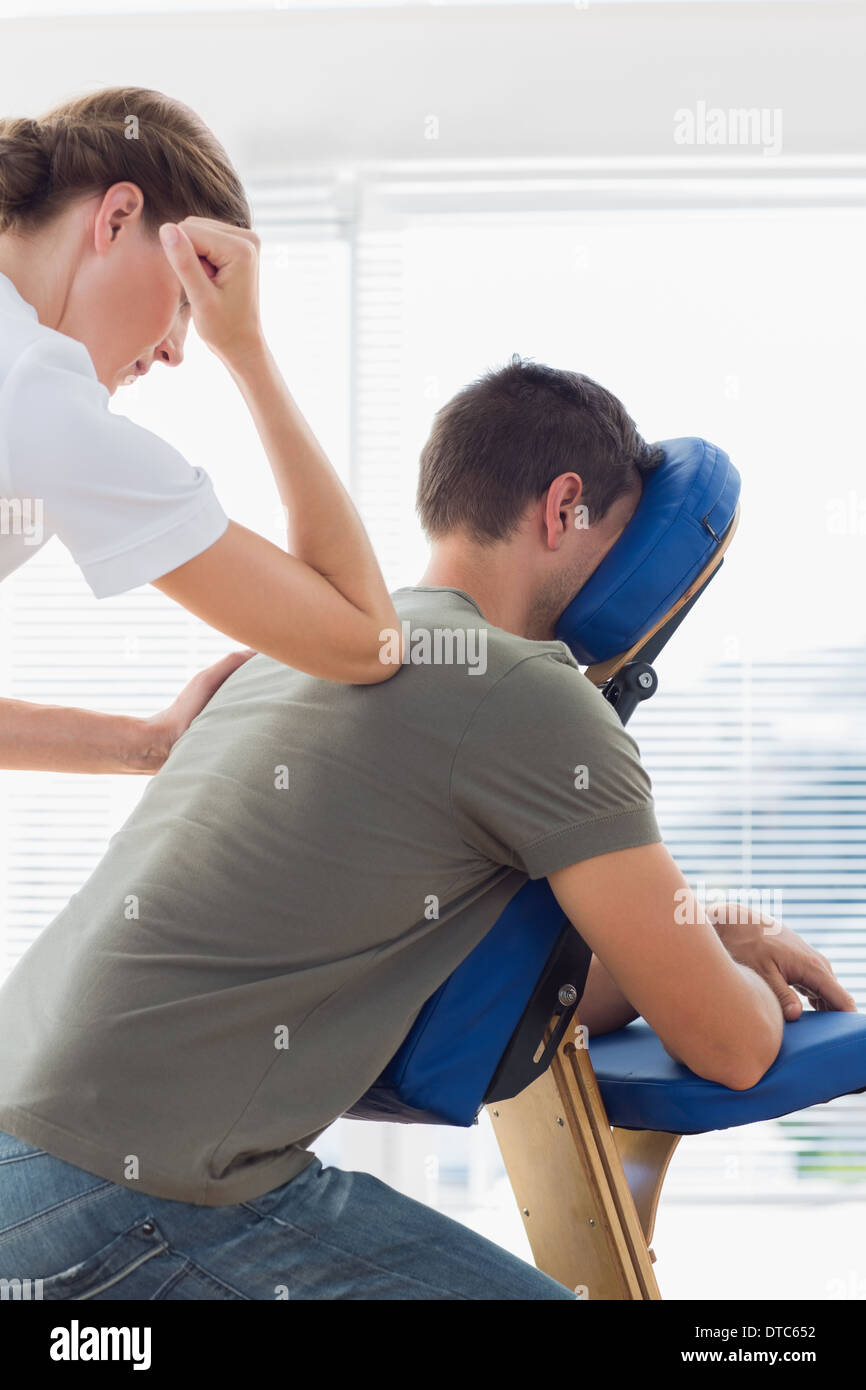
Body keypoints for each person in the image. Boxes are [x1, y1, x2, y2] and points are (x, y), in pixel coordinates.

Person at [0, 359, 856, 1301]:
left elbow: (455, 992)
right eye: (622, 530)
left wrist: (702, 939)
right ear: (563, 506)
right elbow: (733, 1048)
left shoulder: (307, 648)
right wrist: (737, 969)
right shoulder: (530, 694)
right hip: (139, 1199)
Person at [0, 87, 401, 776]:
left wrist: (148, 745)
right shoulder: (40, 395)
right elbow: (368, 641)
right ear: (119, 217)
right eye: (188, 299)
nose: (177, 348)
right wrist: (245, 350)